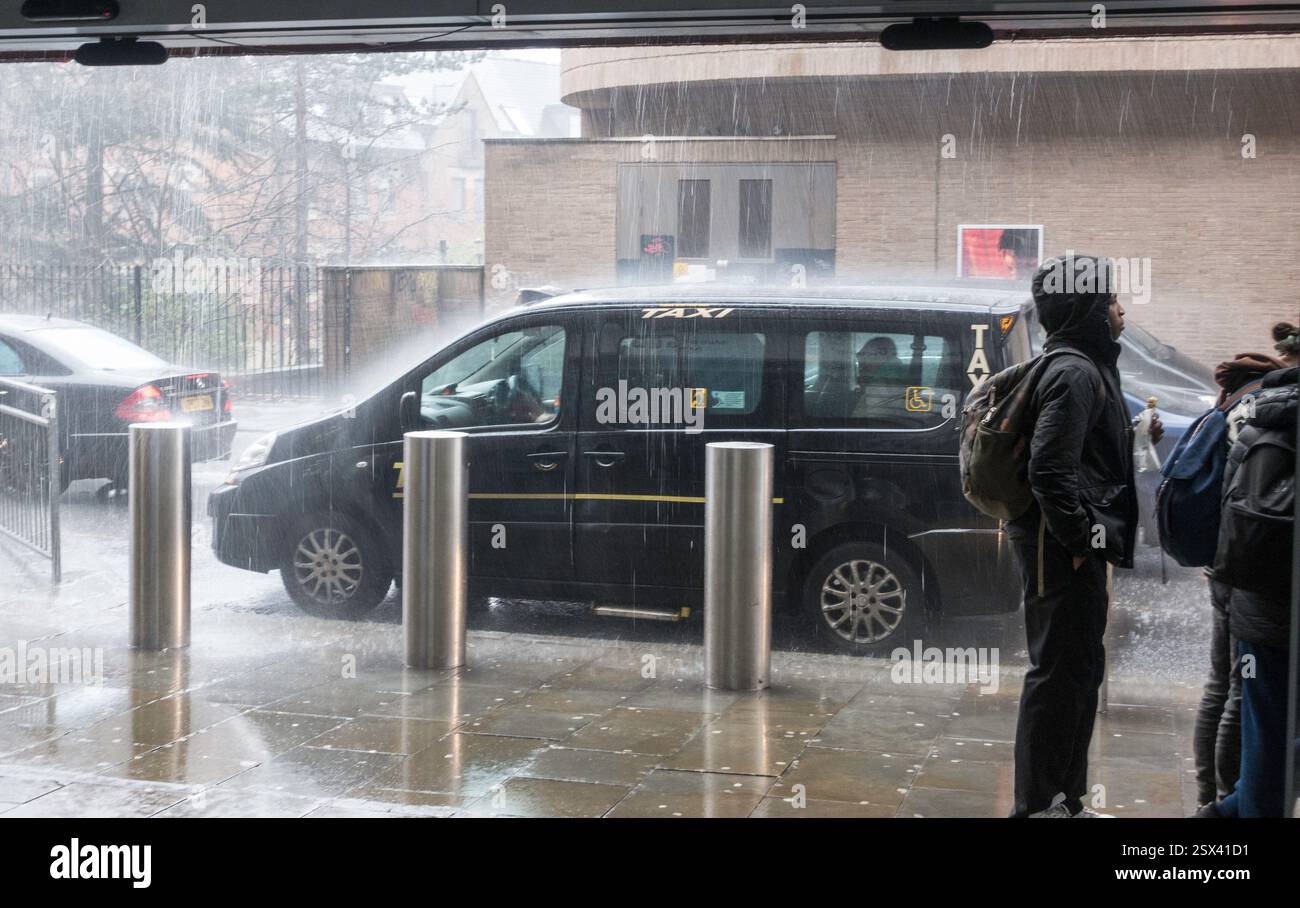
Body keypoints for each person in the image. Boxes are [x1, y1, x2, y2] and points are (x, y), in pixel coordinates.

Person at [1006, 254, 1161, 818]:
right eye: (1112, 300)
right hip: (1060, 550)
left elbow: (1080, 455)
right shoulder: (1074, 372)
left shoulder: (1084, 366)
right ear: (1089, 309)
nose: (1121, 309)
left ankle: (1065, 802)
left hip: (1071, 547)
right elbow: (1049, 469)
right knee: (1057, 678)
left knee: (1078, 673)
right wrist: (1080, 542)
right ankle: (1038, 806)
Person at [1197, 355, 1297, 818]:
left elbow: (1229, 504)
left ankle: (1220, 810)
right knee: (1264, 744)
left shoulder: (1258, 419)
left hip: (1252, 604)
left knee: (1262, 730)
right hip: (1271, 610)